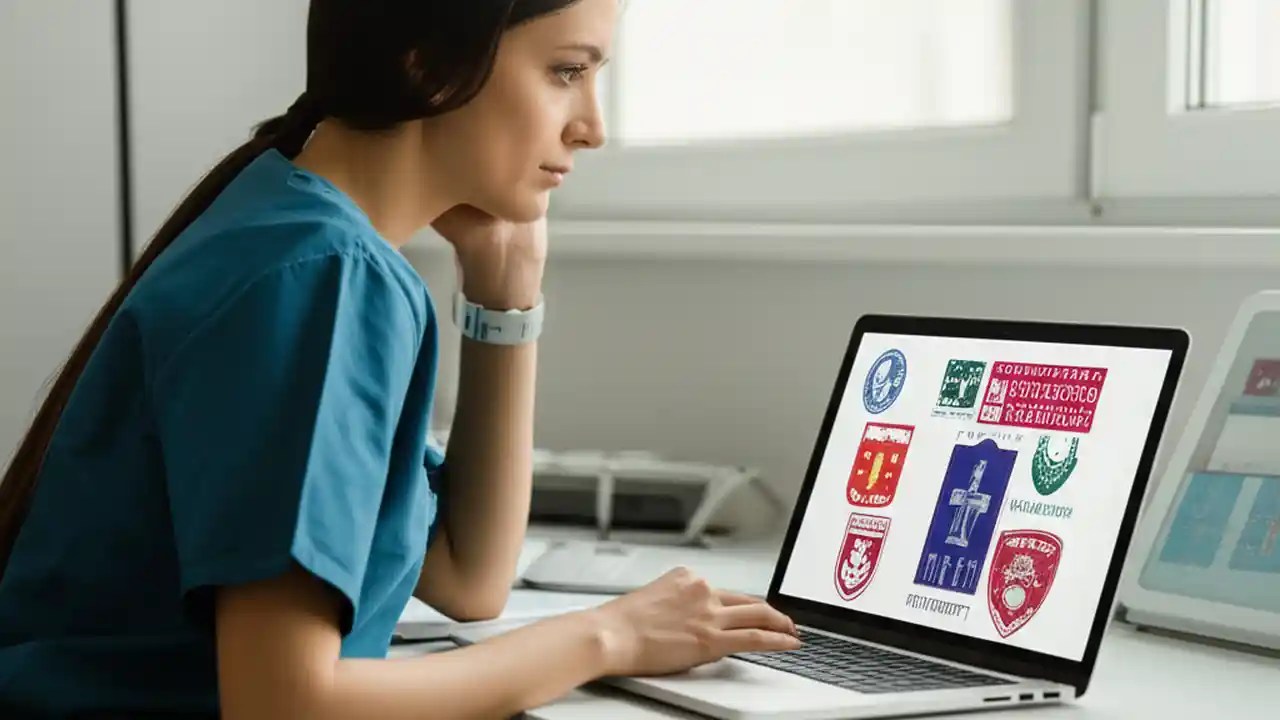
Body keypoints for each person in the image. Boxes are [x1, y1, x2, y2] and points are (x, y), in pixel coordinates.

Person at [0, 1, 802, 717]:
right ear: (427, 63)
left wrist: (506, 291)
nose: (591, 125)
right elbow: (284, 704)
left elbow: (465, 576)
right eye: (566, 72)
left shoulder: (297, 229)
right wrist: (607, 636)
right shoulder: (323, 276)